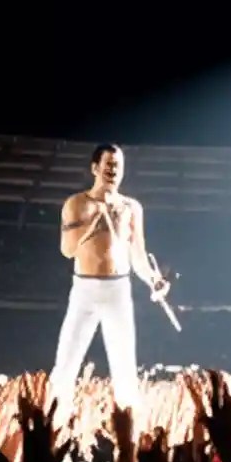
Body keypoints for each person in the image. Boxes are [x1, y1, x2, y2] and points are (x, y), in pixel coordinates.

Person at [50, 144, 170, 423]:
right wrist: (92, 224)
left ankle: (130, 427)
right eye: (109, 164)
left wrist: (154, 280)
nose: (114, 170)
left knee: (124, 364)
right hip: (85, 289)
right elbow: (67, 250)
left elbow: (138, 254)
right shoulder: (76, 203)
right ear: (95, 168)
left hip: (118, 289)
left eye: (118, 165)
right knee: (67, 360)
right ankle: (54, 421)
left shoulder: (131, 207)